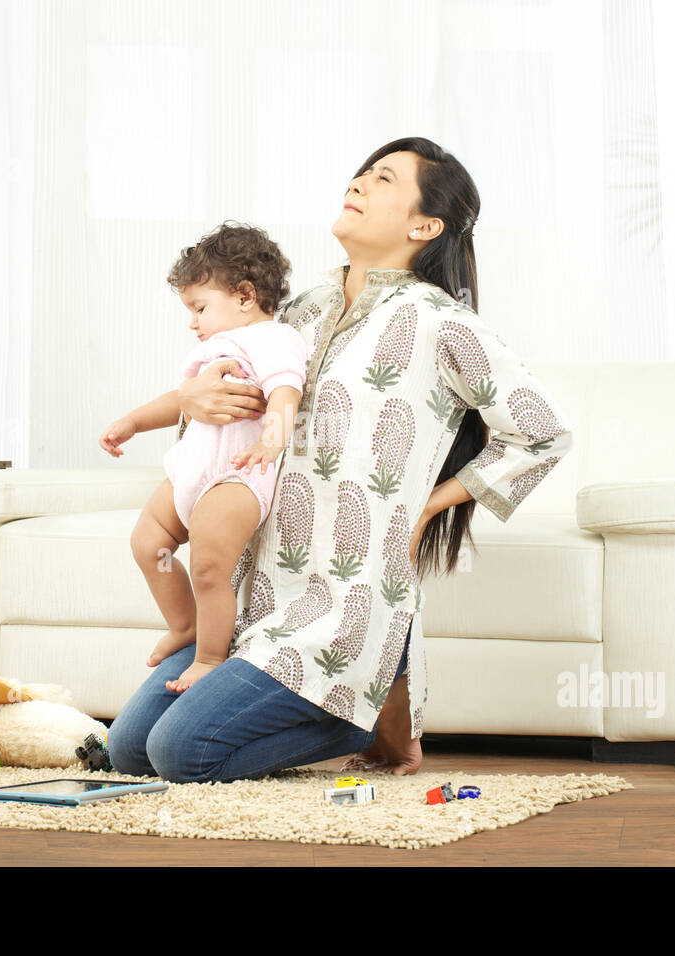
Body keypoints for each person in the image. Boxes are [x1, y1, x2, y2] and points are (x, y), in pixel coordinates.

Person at [104, 136, 574, 784]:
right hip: (257, 596)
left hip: (344, 606)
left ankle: (359, 704)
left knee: (183, 753)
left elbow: (542, 433)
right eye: (361, 173)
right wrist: (193, 397)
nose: (359, 183)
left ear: (424, 224)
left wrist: (426, 507)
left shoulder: (441, 322)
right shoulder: (299, 310)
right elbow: (235, 411)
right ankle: (360, 697)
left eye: (383, 179)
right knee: (130, 748)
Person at [100, 222, 308, 694]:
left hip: (235, 476)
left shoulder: (274, 339)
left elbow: (284, 395)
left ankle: (211, 658)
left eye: (199, 307)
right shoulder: (216, 347)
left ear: (245, 295)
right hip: (191, 470)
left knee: (209, 567)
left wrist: (271, 443)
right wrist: (132, 422)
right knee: (147, 543)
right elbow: (183, 398)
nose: (192, 321)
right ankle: (184, 623)